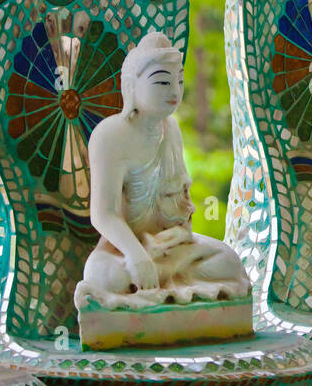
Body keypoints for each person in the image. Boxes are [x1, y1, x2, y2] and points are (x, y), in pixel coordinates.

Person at [75, 32, 249, 308]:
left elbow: (180, 203)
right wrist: (136, 254)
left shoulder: (171, 130)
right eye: (162, 82)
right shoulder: (109, 135)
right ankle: (162, 284)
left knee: (228, 261)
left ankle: (160, 286)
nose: (174, 92)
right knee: (105, 278)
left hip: (166, 249)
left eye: (179, 81)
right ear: (132, 86)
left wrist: (176, 234)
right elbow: (103, 214)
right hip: (122, 250)